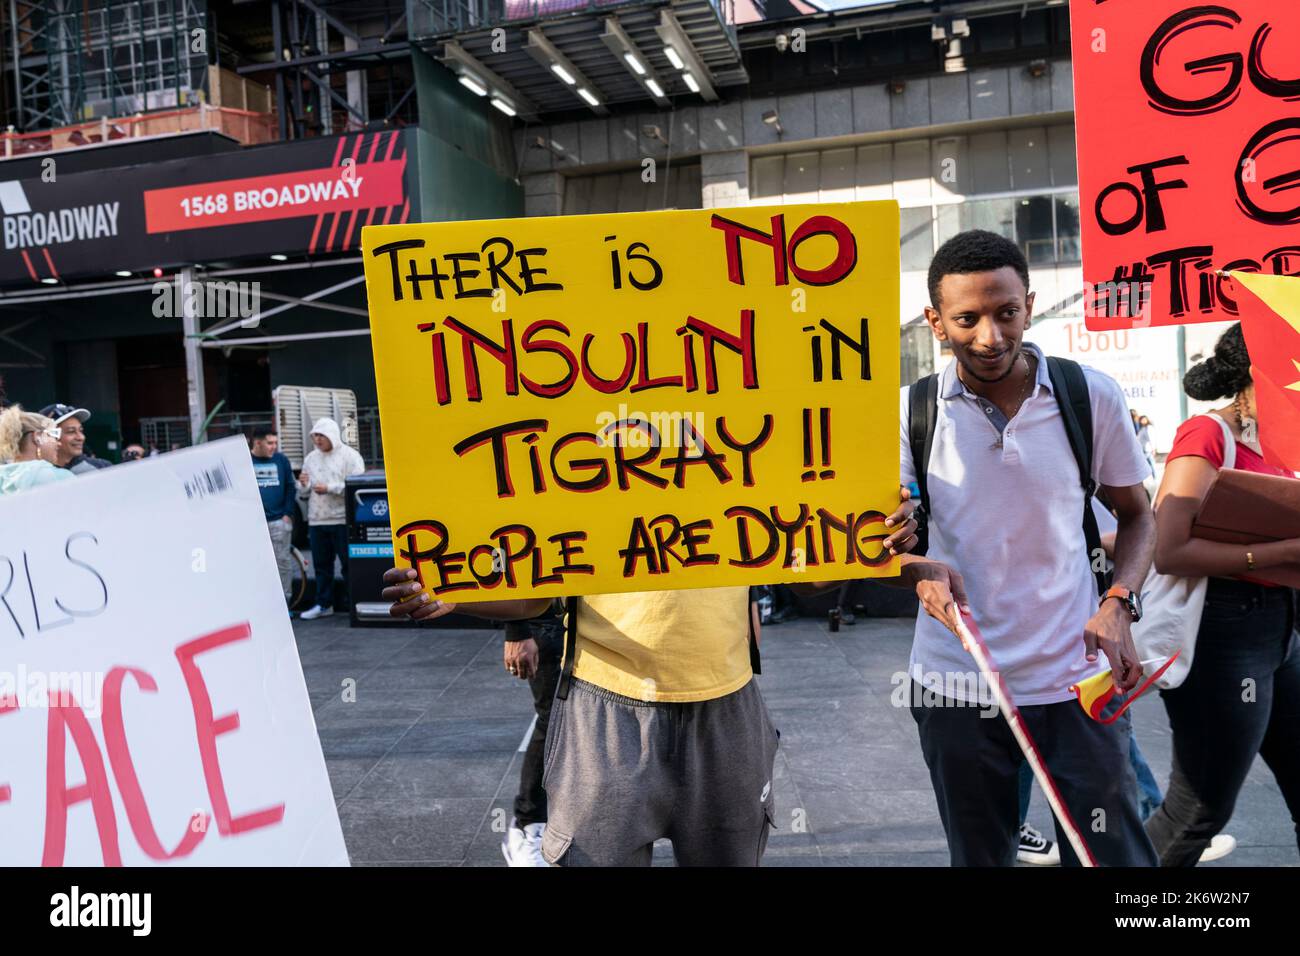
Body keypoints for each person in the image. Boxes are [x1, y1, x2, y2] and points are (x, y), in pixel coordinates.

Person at [381, 495, 919, 867]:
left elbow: (808, 576)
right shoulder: (575, 444)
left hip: (725, 708)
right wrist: (455, 594)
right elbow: (539, 588)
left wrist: (868, 544)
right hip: (604, 711)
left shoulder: (746, 433)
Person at [896, 230, 1159, 866]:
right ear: (936, 322)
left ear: (1030, 305)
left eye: (1006, 312)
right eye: (967, 319)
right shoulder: (909, 413)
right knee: (981, 857)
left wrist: (1119, 602)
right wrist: (915, 566)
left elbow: (1138, 515)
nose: (990, 336)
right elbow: (880, 544)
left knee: (1110, 856)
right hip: (954, 685)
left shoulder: (1087, 394)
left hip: (1076, 679)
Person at [1142, 323, 1300, 866]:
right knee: (1199, 811)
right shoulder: (1208, 435)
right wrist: (1278, 553)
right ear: (1264, 372)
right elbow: (1168, 550)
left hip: (1284, 627)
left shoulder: (1290, 435)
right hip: (1220, 630)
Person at [500, 603, 565, 866]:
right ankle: (528, 826)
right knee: (553, 720)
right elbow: (507, 561)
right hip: (546, 617)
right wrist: (517, 629)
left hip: (606, 619)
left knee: (595, 722)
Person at [297, 418, 364, 620]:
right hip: (317, 519)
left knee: (348, 565)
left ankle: (354, 603)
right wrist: (304, 484)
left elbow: (357, 486)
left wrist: (330, 488)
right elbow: (304, 491)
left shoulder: (350, 456)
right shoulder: (310, 458)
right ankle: (324, 604)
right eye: (314, 435)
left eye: (321, 435)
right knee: (321, 566)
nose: (317, 440)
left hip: (343, 519)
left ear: (332, 436)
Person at [251, 427, 298, 612]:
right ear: (257, 443)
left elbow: (290, 487)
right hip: (253, 525)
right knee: (256, 565)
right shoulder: (245, 460)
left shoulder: (281, 460)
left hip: (279, 521)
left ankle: (284, 605)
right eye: (270, 443)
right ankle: (260, 606)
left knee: (283, 564)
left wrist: (288, 514)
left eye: (275, 443)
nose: (274, 447)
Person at [0, 406, 75, 494]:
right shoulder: (61, 478)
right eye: (53, 435)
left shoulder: (3, 479)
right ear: (37, 437)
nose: (58, 443)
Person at [39, 404, 111, 473]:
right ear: (49, 435)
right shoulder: (34, 473)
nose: (81, 437)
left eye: (81, 430)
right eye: (71, 431)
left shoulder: (102, 468)